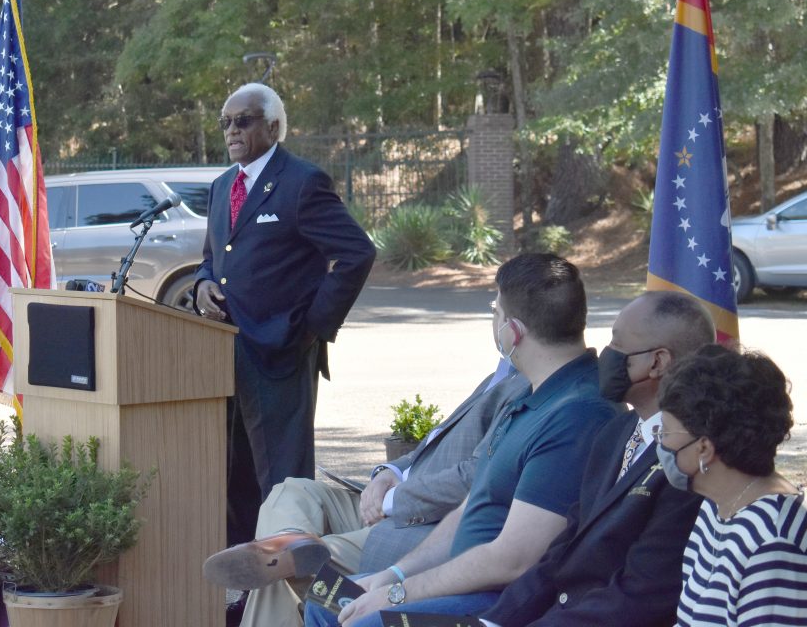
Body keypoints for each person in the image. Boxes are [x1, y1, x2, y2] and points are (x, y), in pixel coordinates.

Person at [305, 253, 620, 627]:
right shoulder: (526, 394)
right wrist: (393, 578)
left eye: (495, 310)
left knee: (362, 621)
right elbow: (469, 509)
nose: (494, 321)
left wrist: (395, 596)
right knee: (325, 601)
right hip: (464, 585)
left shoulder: (577, 414)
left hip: (500, 604)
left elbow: (513, 559)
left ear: (512, 331)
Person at [203, 354, 529, 627]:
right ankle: (291, 542)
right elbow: (430, 446)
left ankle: (290, 557)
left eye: (497, 307)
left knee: (278, 582)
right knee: (291, 490)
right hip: (392, 498)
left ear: (514, 325)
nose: (493, 313)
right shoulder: (498, 374)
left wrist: (391, 499)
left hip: (419, 525)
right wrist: (389, 471)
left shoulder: (526, 388)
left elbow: (474, 478)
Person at [195, 83, 376, 548]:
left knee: (282, 484)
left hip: (280, 354)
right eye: (226, 122)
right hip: (226, 356)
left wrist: (313, 326)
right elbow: (212, 258)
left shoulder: (301, 182)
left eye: (244, 120)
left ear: (273, 126)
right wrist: (201, 285)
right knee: (232, 477)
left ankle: (286, 592)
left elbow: (355, 254)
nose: (232, 131)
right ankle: (241, 589)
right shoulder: (221, 187)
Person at [480, 290, 714, 627]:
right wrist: (495, 621)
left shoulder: (690, 462)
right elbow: (563, 551)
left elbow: (642, 595)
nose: (606, 355)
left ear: (658, 362)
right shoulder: (615, 434)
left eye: (618, 344)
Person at [657, 344, 807, 627]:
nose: (660, 443)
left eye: (664, 432)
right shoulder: (716, 507)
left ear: (704, 448)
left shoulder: (772, 542)